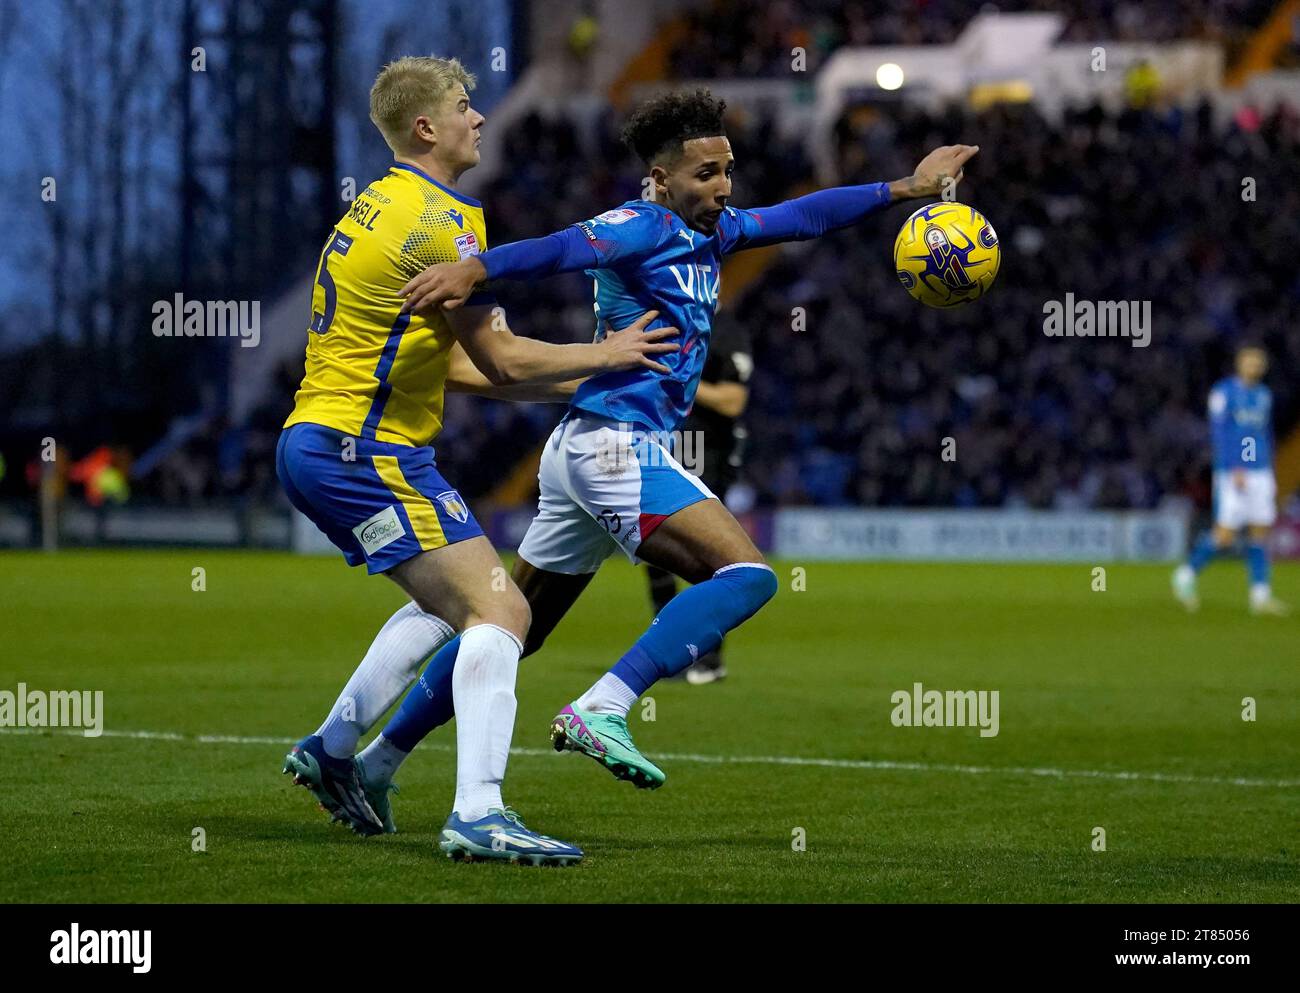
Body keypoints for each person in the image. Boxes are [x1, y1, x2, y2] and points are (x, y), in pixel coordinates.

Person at [355, 87, 977, 815]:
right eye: (704, 174)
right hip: (609, 447)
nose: (721, 188)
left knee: (512, 627)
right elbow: (557, 249)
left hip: (583, 449)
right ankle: (604, 705)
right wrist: (477, 269)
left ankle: (372, 761)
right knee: (746, 575)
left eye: (727, 170)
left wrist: (906, 187)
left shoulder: (714, 233)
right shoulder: (639, 225)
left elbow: (806, 216)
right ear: (660, 178)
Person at [275, 56, 677, 865]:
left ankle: (332, 746)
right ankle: (479, 813)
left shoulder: (376, 204)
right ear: (427, 126)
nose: (481, 118)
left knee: (448, 606)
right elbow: (497, 359)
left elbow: (451, 366)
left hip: (325, 442)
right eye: (465, 106)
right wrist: (607, 356)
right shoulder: (444, 219)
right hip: (367, 451)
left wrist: (562, 376)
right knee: (505, 613)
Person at [645, 317, 752, 684]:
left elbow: (733, 401)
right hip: (665, 443)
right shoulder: (670, 319)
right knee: (653, 549)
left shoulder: (727, 329)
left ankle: (710, 656)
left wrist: (683, 383)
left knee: (702, 552)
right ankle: (669, 650)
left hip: (706, 451)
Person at [1173, 345, 1288, 615]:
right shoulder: (1224, 392)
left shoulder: (1263, 395)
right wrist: (1236, 465)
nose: (1255, 366)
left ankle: (1260, 596)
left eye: (1259, 362)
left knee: (1260, 532)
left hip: (1260, 470)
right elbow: (1220, 433)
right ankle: (1186, 574)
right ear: (1239, 363)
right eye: (1250, 361)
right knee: (1225, 535)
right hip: (1235, 472)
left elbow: (1263, 432)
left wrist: (1268, 465)